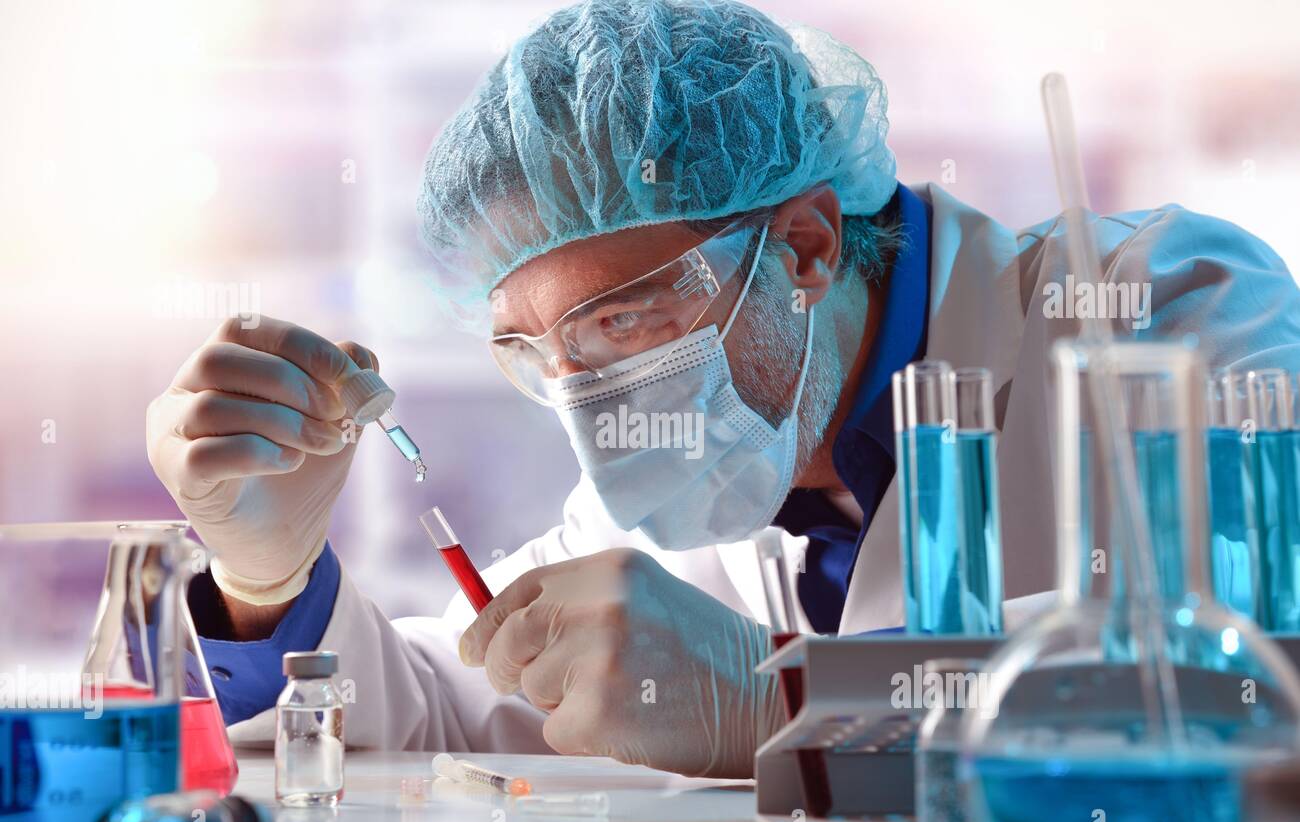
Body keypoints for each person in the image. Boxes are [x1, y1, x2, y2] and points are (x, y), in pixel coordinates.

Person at [146, 0, 1300, 779]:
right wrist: (264, 583)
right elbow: (454, 711)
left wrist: (786, 708)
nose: (585, 396)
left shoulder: (1164, 310)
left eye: (623, 319)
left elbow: (1250, 705)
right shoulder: (681, 483)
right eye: (540, 352)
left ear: (802, 248)